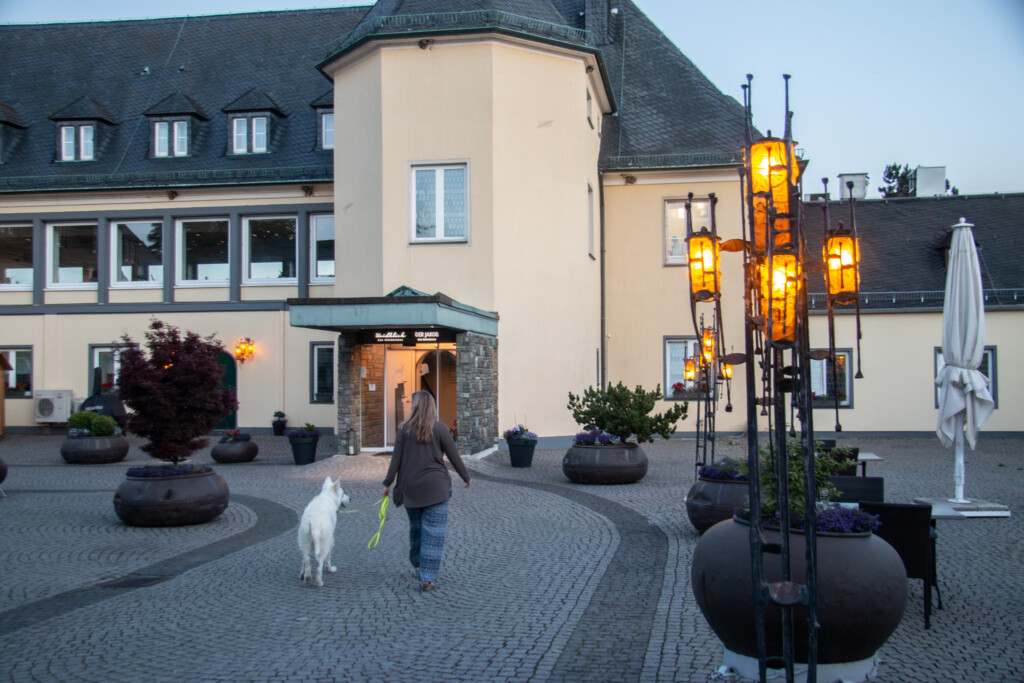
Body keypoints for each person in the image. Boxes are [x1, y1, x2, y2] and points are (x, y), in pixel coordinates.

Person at [382, 390, 471, 592]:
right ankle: (427, 578)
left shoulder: (404, 430)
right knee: (433, 534)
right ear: (432, 407)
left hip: (411, 489)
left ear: (414, 407)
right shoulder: (440, 428)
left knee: (416, 529)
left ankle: (417, 564)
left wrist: (387, 484)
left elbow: (395, 460)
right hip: (436, 489)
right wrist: (466, 477)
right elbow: (454, 456)